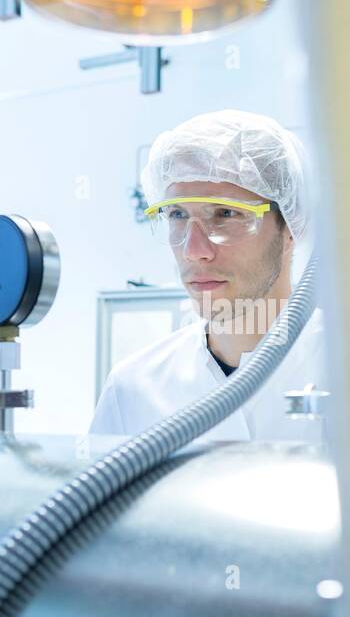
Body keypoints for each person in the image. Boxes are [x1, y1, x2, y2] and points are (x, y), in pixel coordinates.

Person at [89, 109, 326, 443]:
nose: (194, 249)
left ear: (290, 226)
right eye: (177, 214)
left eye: (226, 214)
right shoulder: (133, 388)